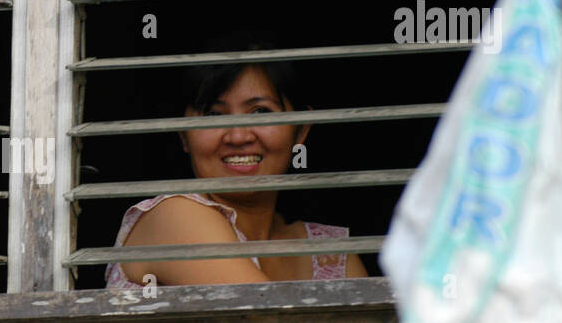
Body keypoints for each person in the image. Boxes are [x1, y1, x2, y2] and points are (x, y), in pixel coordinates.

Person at [106, 40, 368, 288]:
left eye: (261, 112)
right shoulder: (174, 218)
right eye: (213, 115)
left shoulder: (330, 255)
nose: (238, 136)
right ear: (183, 134)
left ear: (300, 131)